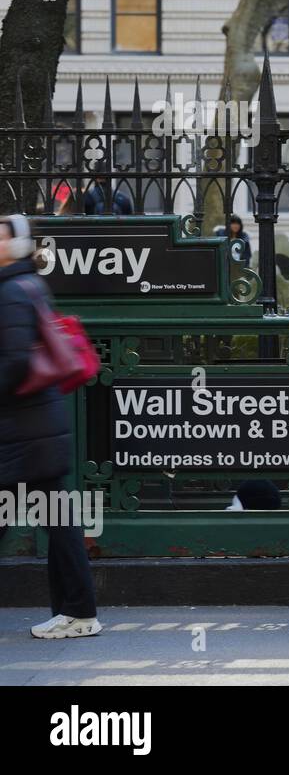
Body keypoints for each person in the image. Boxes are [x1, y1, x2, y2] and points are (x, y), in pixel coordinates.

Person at [0, 213, 101, 639]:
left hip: (25, 433)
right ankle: (78, 611)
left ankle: (79, 611)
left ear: (17, 247)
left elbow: (15, 360)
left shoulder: (10, 292)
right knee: (61, 525)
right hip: (36, 429)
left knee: (59, 525)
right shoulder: (27, 285)